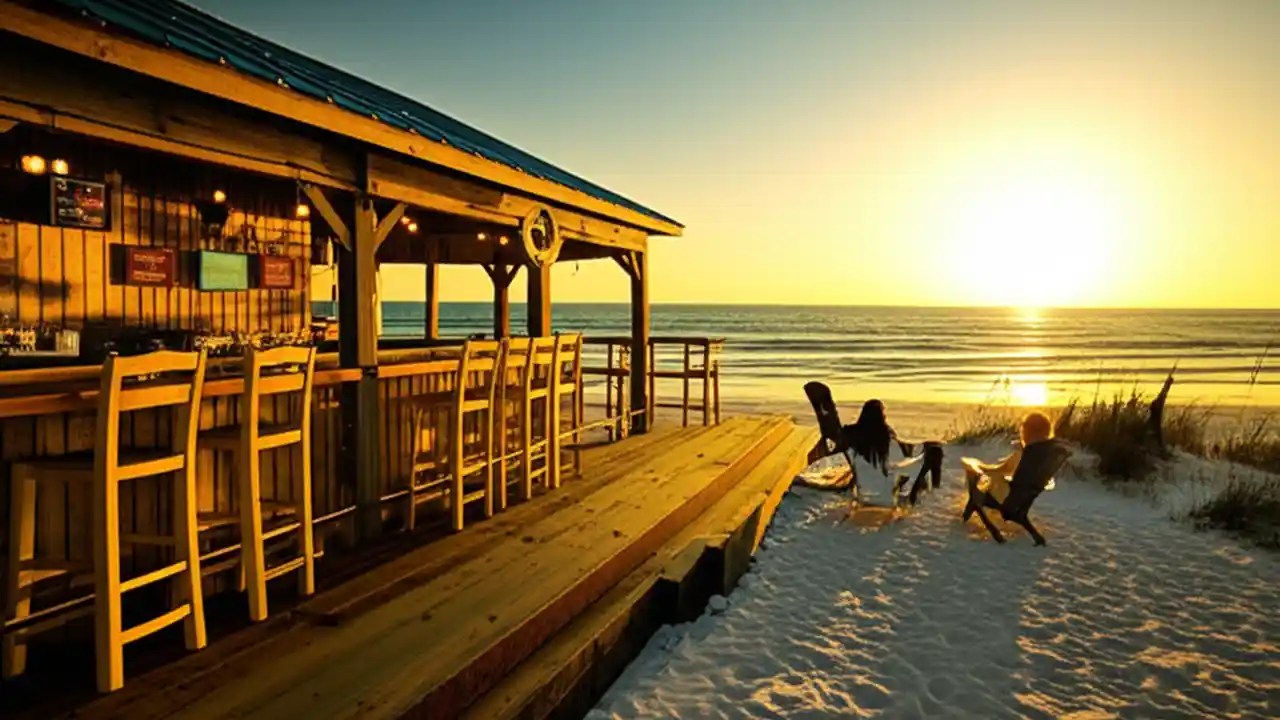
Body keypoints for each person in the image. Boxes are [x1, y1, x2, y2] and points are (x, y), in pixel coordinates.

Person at [966, 411, 1054, 504]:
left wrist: (981, 468)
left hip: (1015, 495)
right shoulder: (1046, 452)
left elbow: (1003, 469)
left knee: (993, 477)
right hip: (1030, 491)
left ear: (1027, 432)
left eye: (1023, 430)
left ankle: (983, 502)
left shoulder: (1026, 454)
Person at [840, 399, 913, 504]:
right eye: (883, 412)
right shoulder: (888, 440)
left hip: (863, 496)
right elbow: (901, 466)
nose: (885, 416)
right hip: (885, 498)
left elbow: (843, 438)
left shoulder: (854, 439)